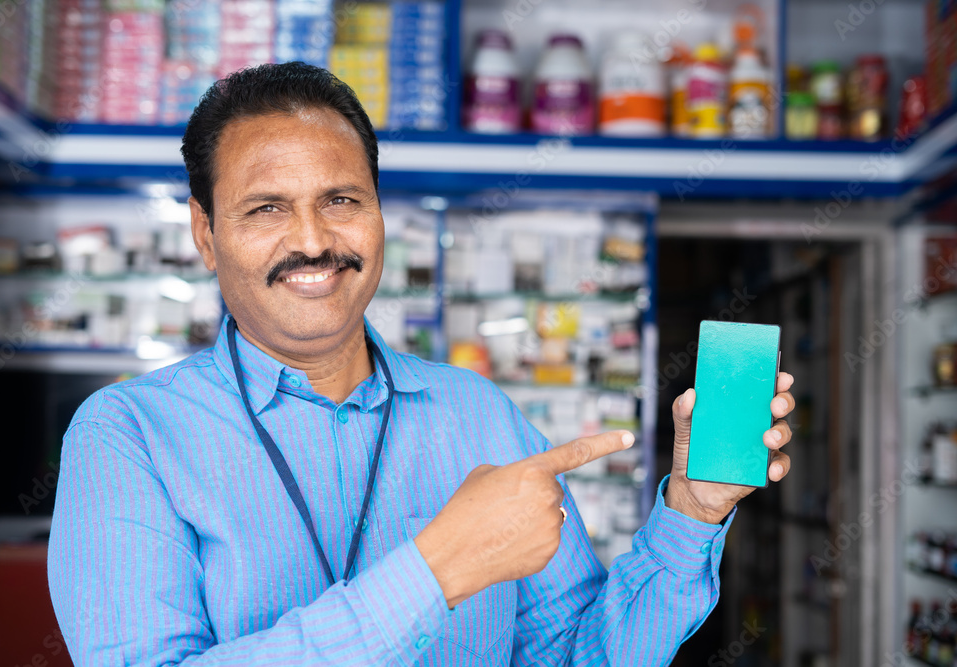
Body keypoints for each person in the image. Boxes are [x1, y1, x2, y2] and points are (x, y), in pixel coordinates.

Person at [48, 62, 796, 666]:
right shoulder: (127, 434)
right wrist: (440, 566)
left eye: (341, 199)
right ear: (206, 234)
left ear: (378, 214)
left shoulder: (479, 414)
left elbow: (578, 657)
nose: (312, 239)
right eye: (266, 208)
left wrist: (691, 513)